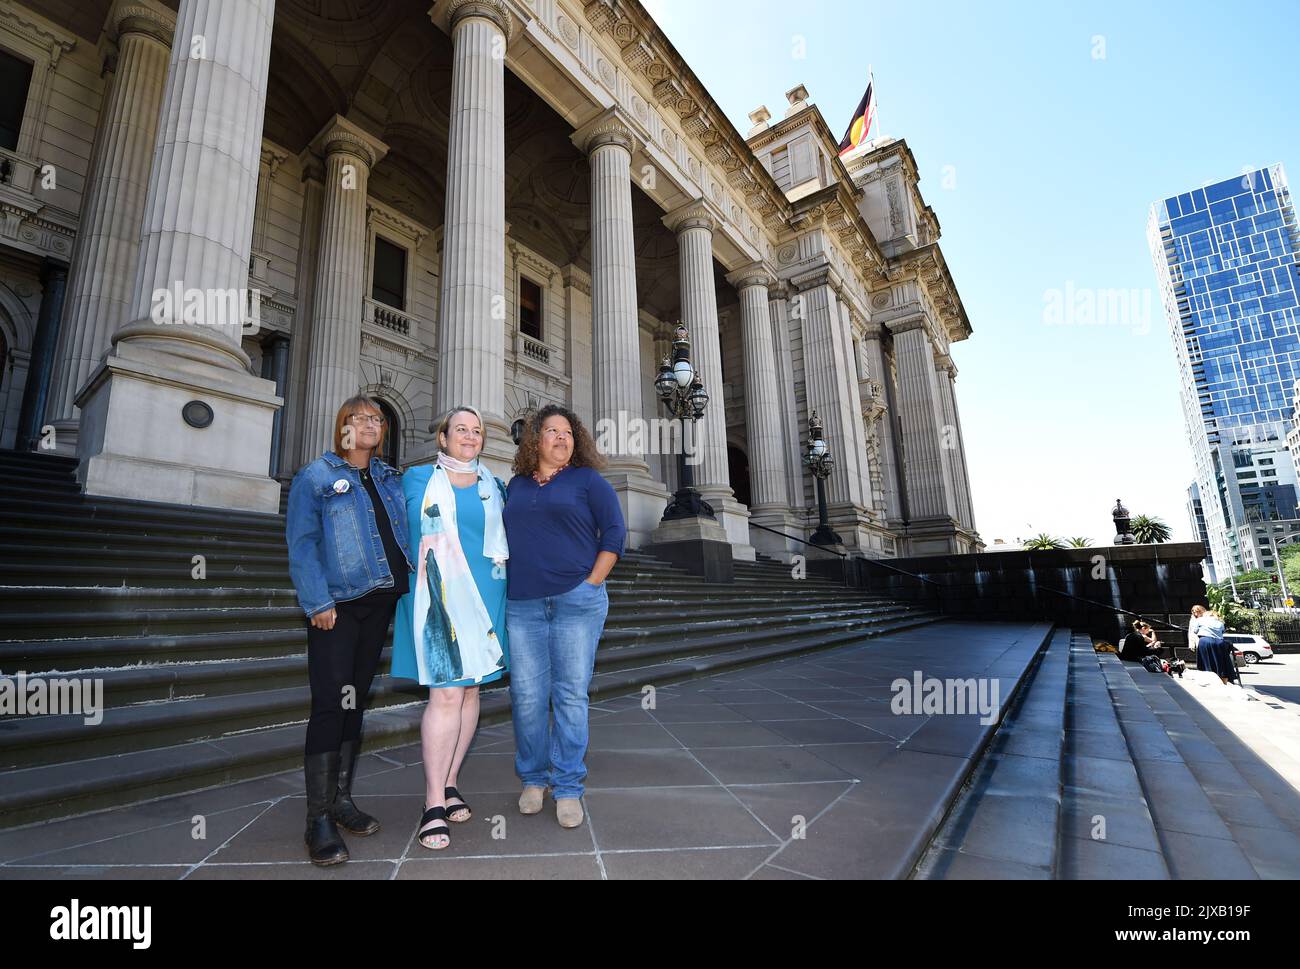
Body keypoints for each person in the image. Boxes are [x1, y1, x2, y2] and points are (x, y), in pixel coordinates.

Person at [286, 396, 412, 866]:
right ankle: (317, 818)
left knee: (353, 702)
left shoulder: (388, 478)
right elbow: (303, 544)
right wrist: (316, 600)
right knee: (328, 706)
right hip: (337, 607)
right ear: (341, 425)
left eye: (377, 418)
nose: (371, 424)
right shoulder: (316, 476)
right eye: (360, 418)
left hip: (379, 605)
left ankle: (341, 800)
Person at [390, 406, 509, 850]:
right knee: (445, 692)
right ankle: (433, 802)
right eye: (461, 429)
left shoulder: (493, 486)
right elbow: (397, 535)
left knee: (472, 691)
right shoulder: (417, 480)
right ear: (443, 437)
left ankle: (452, 779)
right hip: (437, 597)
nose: (470, 436)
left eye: (476, 431)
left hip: (487, 595)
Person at [503, 404, 626, 829]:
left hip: (576, 600)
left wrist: (592, 582)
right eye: (552, 431)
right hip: (522, 605)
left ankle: (569, 786)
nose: (561, 438)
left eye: (569, 432)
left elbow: (614, 533)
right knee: (528, 697)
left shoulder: (588, 481)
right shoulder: (515, 486)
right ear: (535, 439)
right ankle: (534, 779)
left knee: (570, 695)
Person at [1188, 604, 1238, 686]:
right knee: (1221, 662)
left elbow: (1195, 631)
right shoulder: (1220, 623)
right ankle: (1223, 681)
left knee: (1206, 661)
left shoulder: (1200, 620)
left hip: (1205, 641)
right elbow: (1222, 632)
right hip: (1219, 642)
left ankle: (1209, 679)